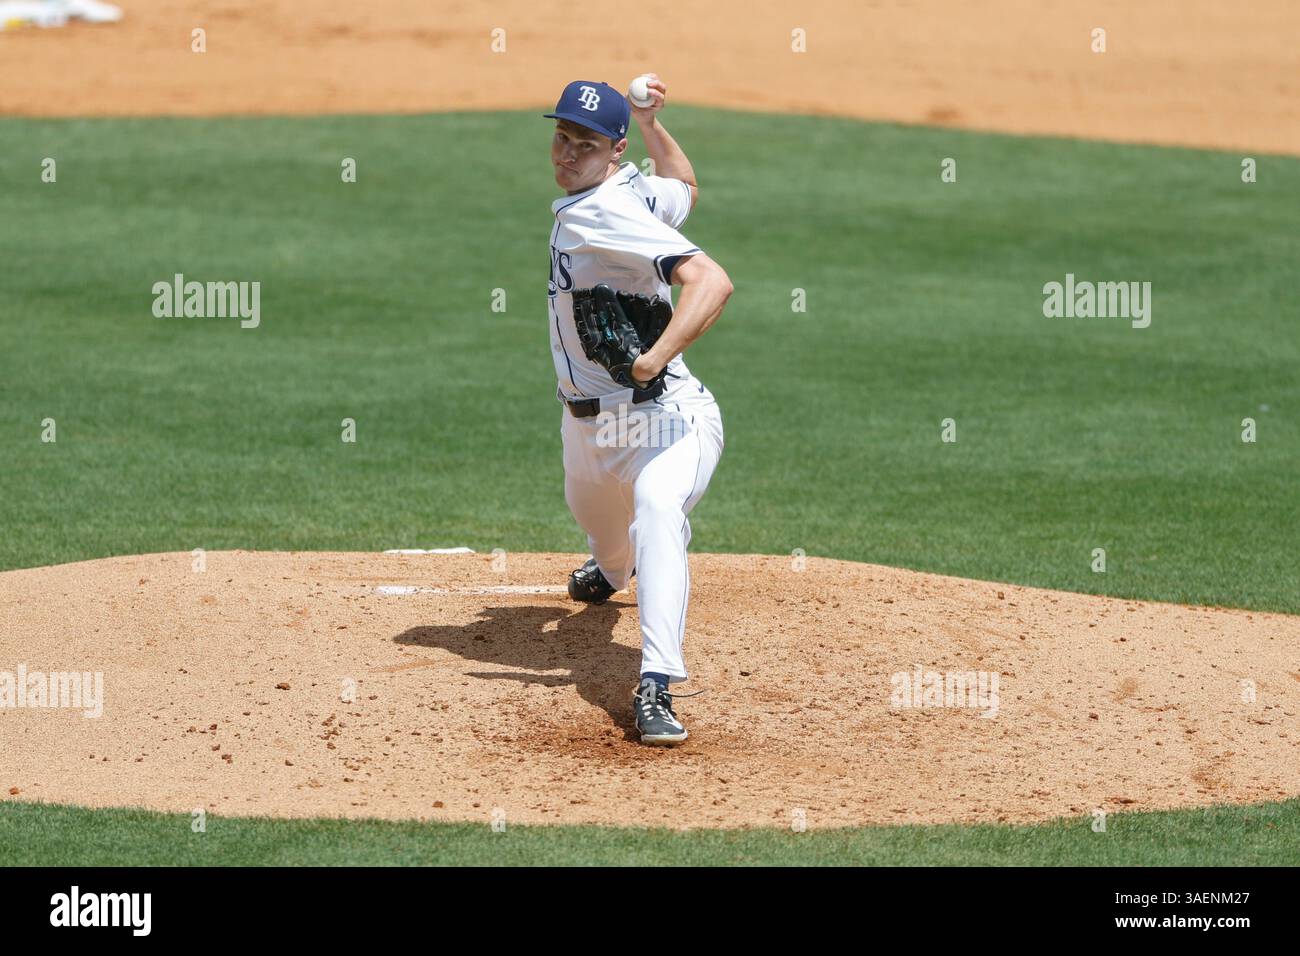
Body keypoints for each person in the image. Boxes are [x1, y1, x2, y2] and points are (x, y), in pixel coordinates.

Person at [544, 76, 733, 745]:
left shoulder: (608, 212)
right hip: (589, 426)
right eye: (562, 137)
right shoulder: (630, 189)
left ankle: (656, 684)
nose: (568, 153)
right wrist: (656, 124)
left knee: (657, 508)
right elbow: (683, 188)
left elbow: (712, 281)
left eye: (585, 144)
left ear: (612, 151)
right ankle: (612, 566)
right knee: (604, 534)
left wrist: (657, 356)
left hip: (665, 415)